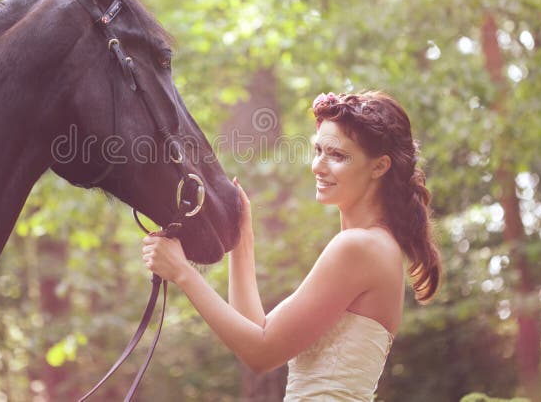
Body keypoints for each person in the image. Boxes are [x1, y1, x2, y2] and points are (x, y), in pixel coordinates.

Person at [142, 90, 442, 401]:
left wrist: (183, 273)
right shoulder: (377, 245)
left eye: (338, 155)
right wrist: (242, 240)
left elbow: (261, 354)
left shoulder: (359, 246)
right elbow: (256, 330)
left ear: (379, 167)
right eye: (318, 150)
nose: (318, 166)